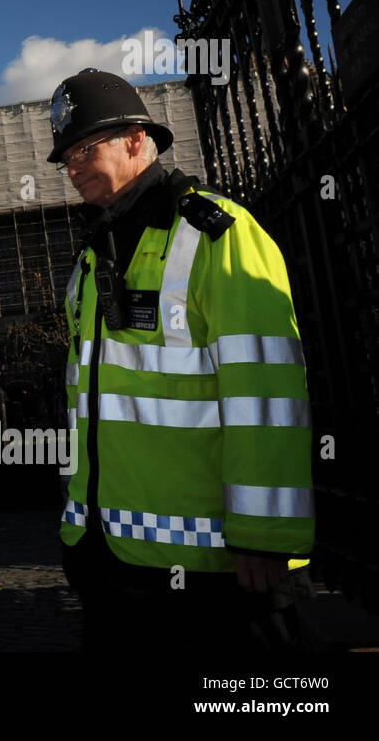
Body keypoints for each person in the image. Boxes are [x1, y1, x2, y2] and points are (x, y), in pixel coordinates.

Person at [49, 68, 314, 652]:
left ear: (138, 140)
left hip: (220, 571)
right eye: (66, 156)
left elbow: (264, 388)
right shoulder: (96, 253)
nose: (72, 165)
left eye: (86, 147)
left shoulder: (218, 233)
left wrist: (265, 534)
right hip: (110, 561)